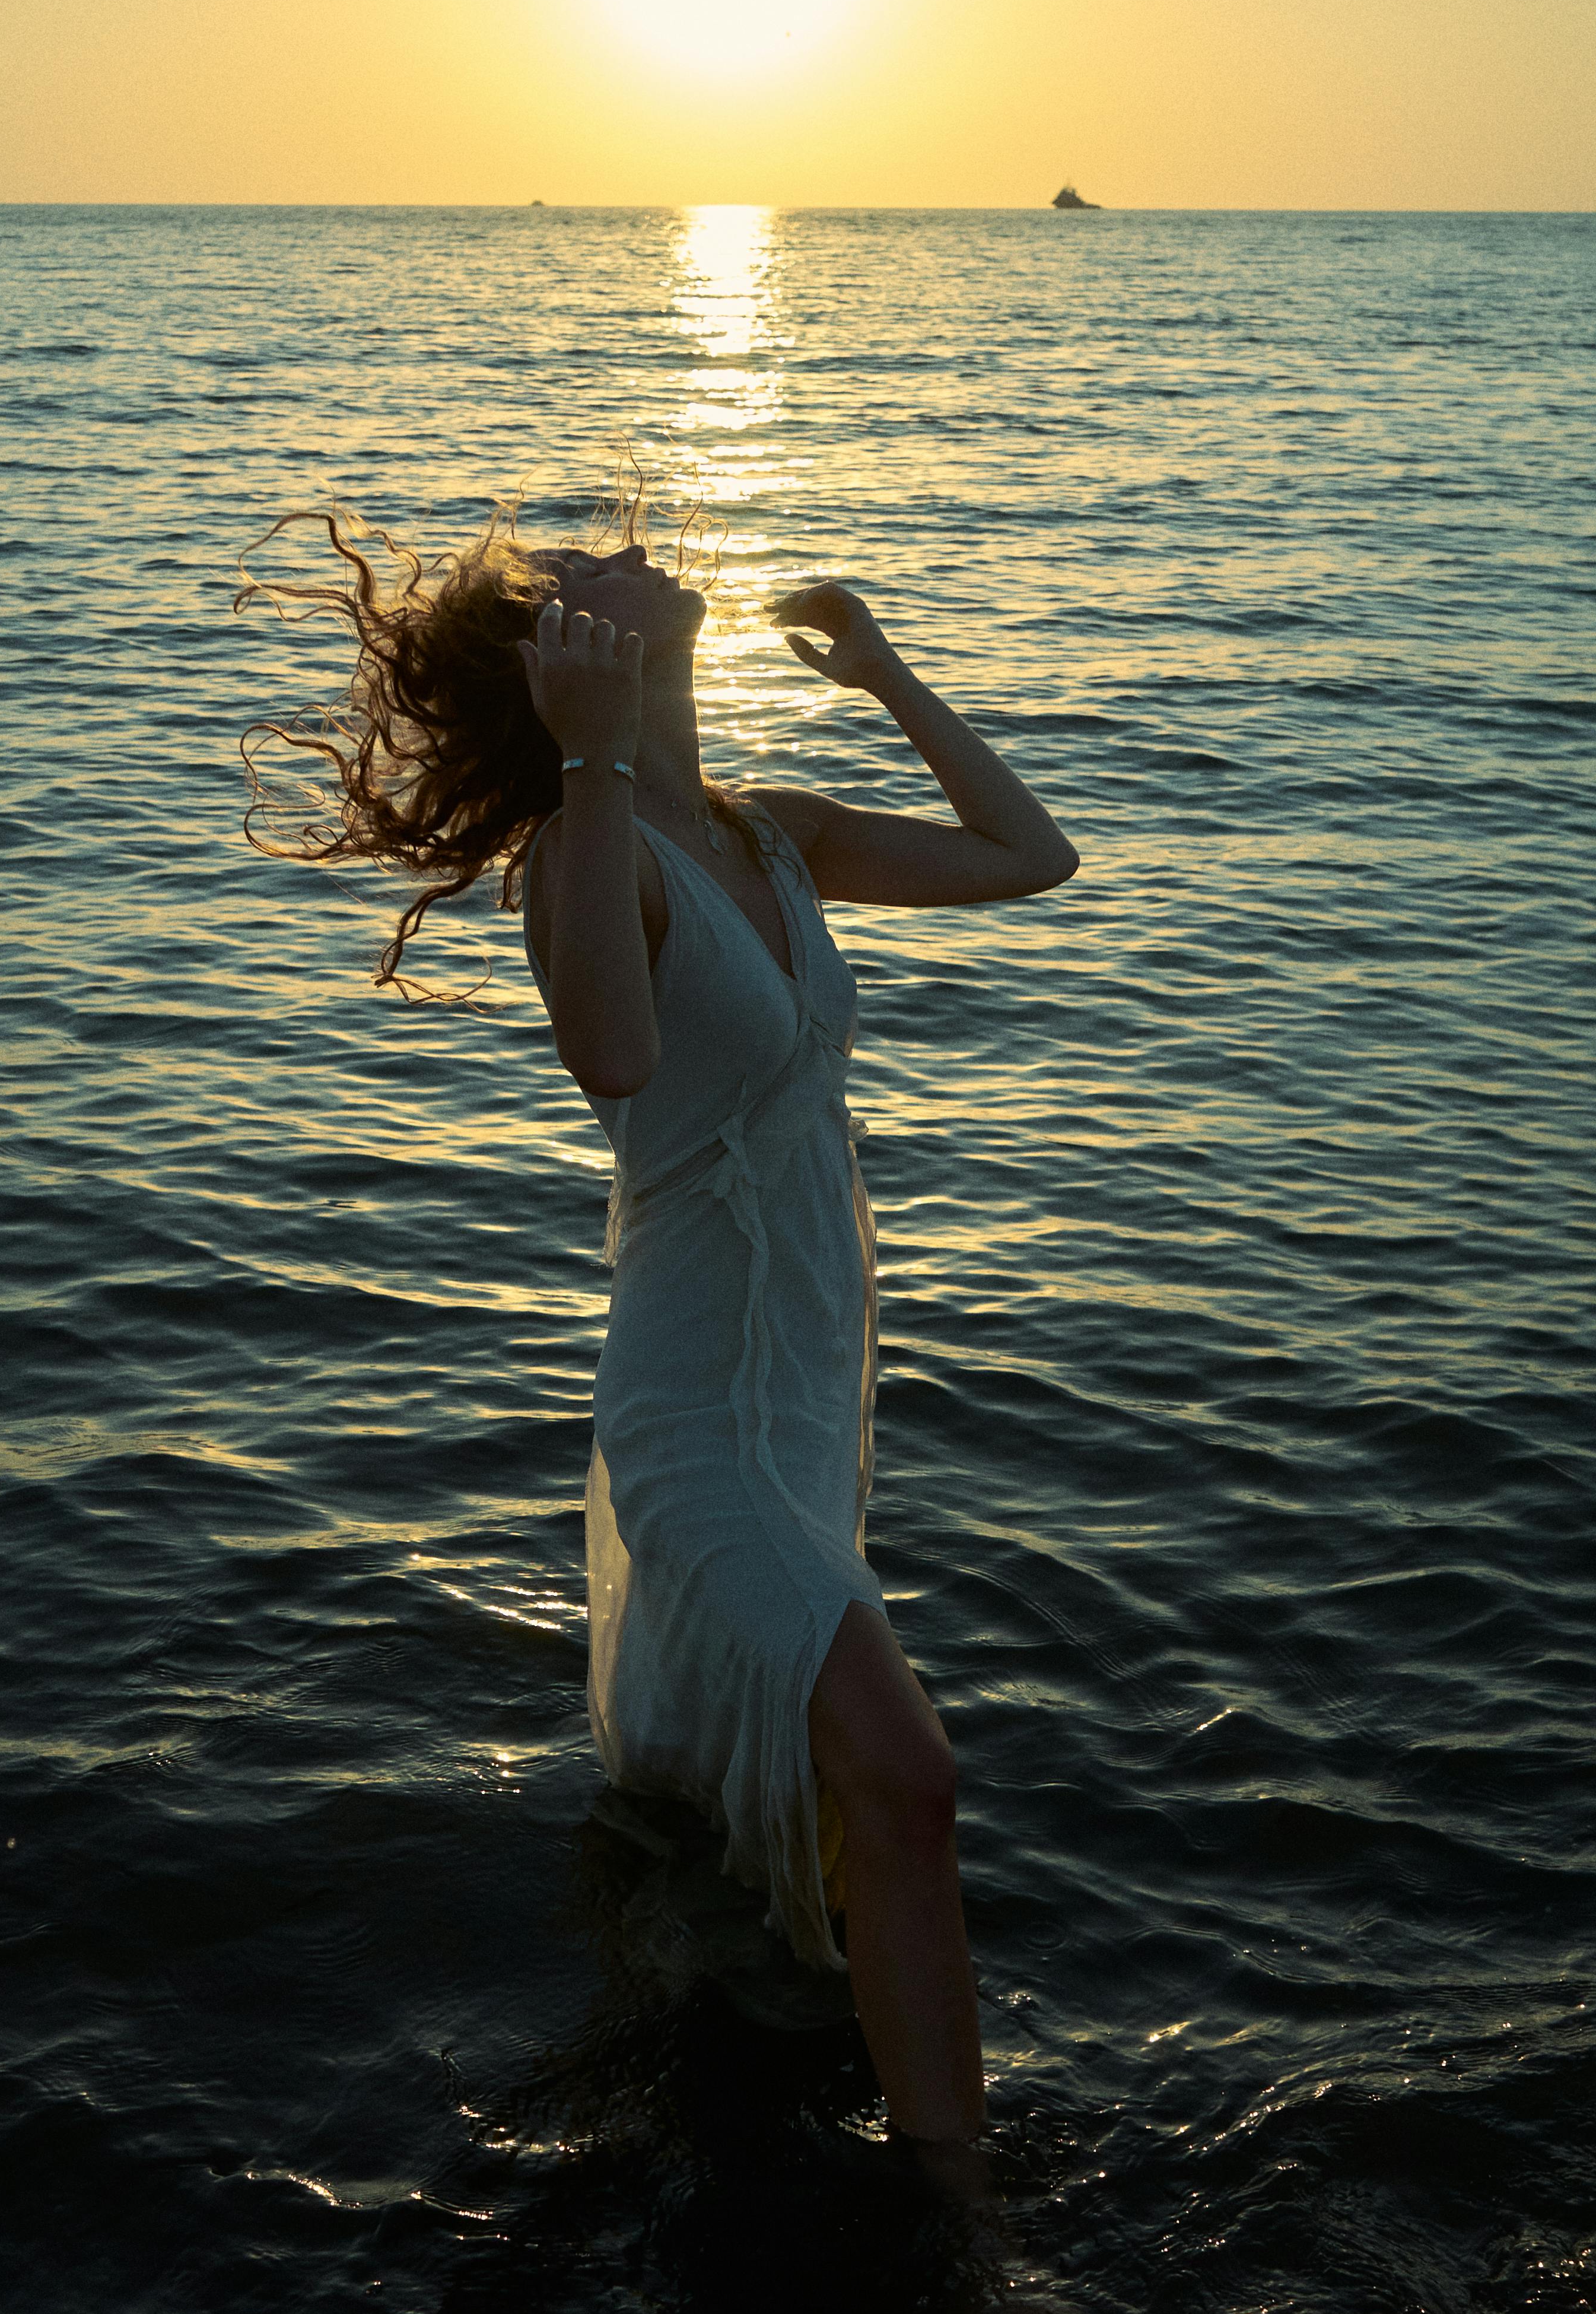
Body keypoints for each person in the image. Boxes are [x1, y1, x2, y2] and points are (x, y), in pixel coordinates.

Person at [240, 509, 1079, 2206]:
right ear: (568, 659)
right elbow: (616, 1060)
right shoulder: (588, 848)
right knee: (908, 1770)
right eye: (571, 571)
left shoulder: (770, 832)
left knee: (857, 1778)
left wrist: (887, 675)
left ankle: (809, 2069)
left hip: (804, 1376)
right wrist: (592, 760)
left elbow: (1029, 857)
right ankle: (968, 2227)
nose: (613, 548)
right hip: (697, 1401)